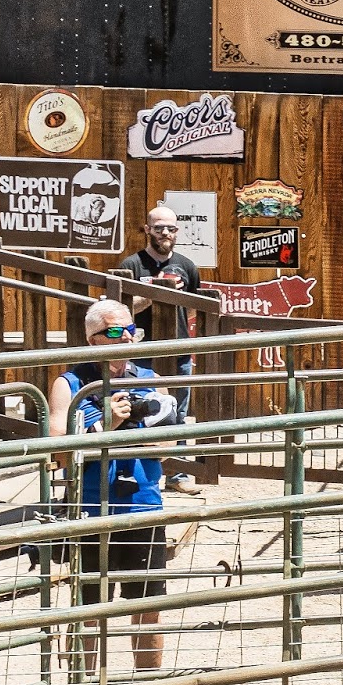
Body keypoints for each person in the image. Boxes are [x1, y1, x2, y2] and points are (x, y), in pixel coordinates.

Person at [48, 299, 181, 685]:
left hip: (142, 508)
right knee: (88, 612)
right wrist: (102, 426)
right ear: (91, 340)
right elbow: (57, 454)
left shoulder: (149, 381)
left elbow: (169, 447)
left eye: (132, 332)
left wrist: (142, 427)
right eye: (115, 332)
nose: (127, 339)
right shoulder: (70, 385)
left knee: (148, 611)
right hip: (90, 511)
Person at [117, 202, 202, 496]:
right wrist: (153, 294)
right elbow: (121, 310)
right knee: (139, 411)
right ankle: (139, 471)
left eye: (170, 228)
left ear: (177, 232)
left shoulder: (187, 266)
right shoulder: (131, 265)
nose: (165, 233)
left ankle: (178, 473)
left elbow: (193, 311)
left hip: (178, 351)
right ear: (147, 230)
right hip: (141, 353)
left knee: (178, 412)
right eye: (158, 227)